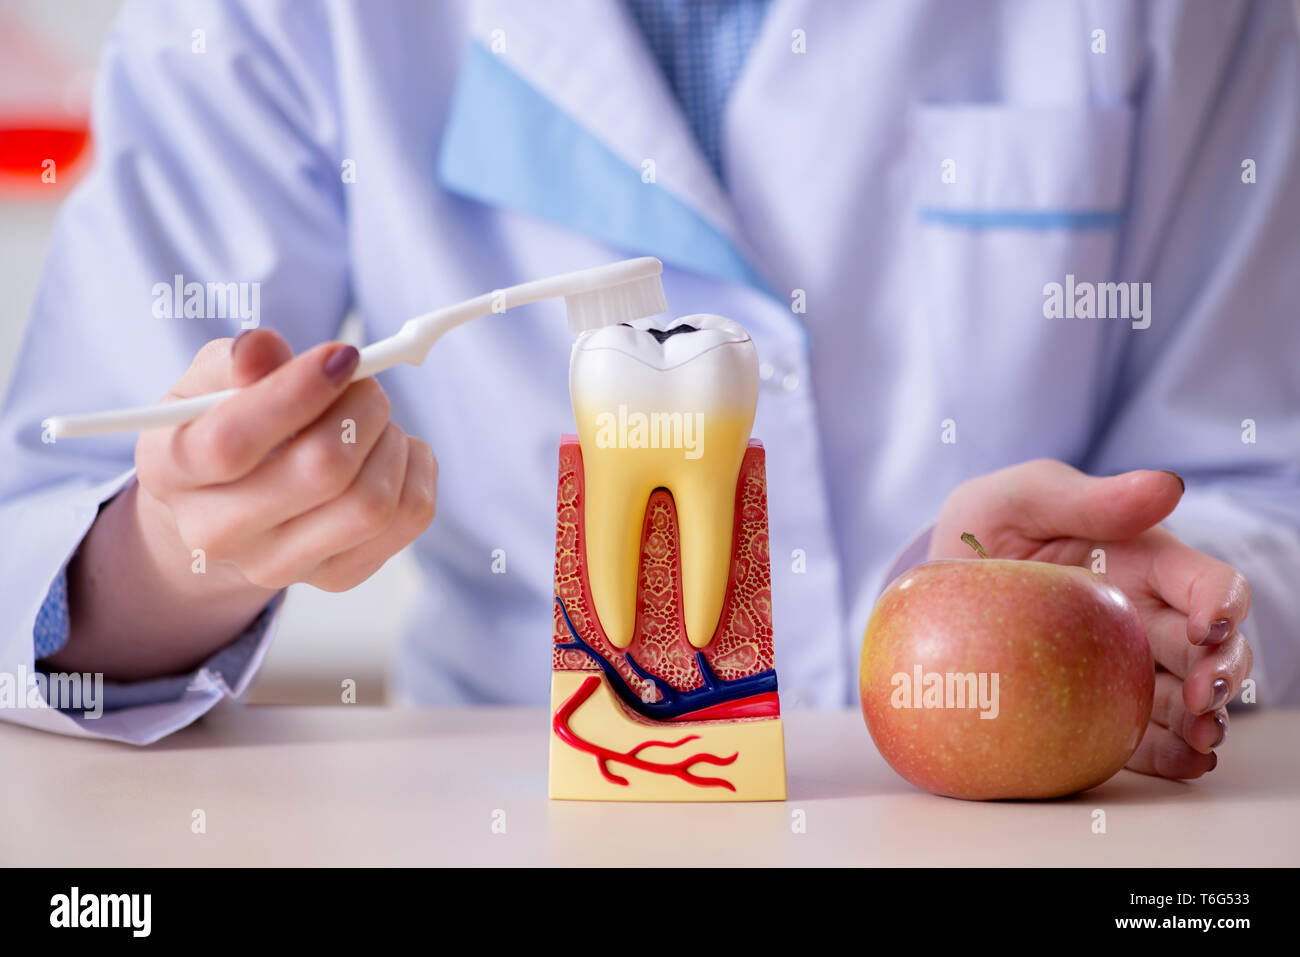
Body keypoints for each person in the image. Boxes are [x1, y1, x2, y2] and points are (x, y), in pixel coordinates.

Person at [0, 0, 1293, 786]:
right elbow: (43, 539)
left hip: (1018, 823)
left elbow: (1260, 477)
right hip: (505, 804)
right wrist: (186, 546)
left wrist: (1121, 623)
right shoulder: (276, 22)